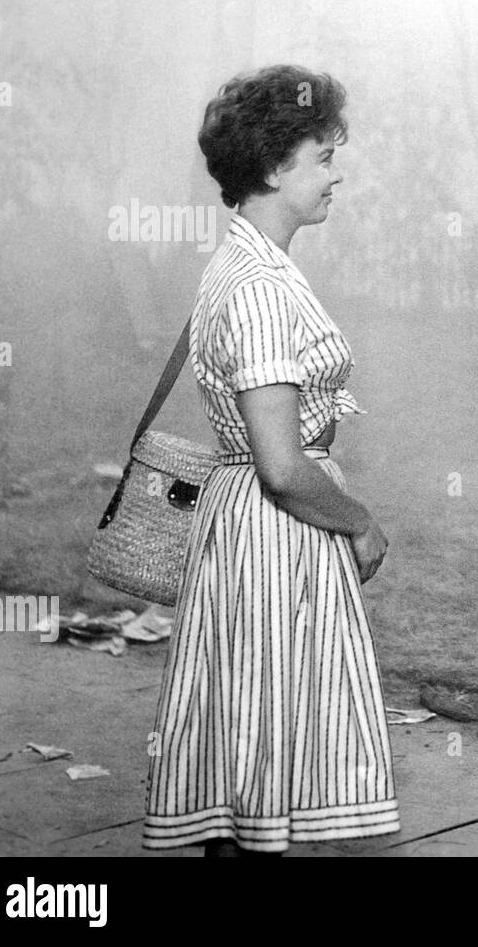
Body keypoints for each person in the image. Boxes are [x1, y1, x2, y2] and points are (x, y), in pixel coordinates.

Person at [143, 66, 400, 855]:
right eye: (323, 157)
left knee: (247, 735)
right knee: (258, 735)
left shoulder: (250, 267)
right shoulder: (257, 287)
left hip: (251, 527)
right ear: (271, 168)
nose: (336, 174)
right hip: (270, 530)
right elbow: (283, 467)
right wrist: (359, 524)